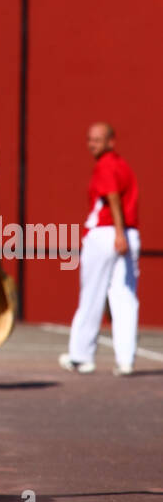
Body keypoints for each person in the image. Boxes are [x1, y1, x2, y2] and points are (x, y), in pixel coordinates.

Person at [60, 123, 140, 377]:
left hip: (107, 234)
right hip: (129, 234)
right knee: (125, 298)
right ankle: (125, 360)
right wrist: (123, 233)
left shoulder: (105, 165)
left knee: (92, 295)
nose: (92, 144)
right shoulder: (123, 166)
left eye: (97, 140)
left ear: (111, 142)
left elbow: (112, 196)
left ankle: (81, 356)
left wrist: (118, 232)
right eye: (90, 139)